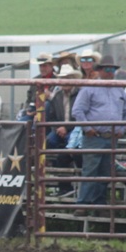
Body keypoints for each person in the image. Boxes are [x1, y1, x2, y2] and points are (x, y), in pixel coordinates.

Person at [70, 56, 126, 215]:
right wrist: (87, 128)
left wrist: (122, 128)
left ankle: (99, 203)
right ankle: (83, 203)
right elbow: (77, 111)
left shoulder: (119, 89)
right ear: (99, 71)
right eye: (107, 69)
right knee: (91, 170)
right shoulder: (89, 88)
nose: (111, 72)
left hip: (111, 136)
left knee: (105, 171)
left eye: (113, 70)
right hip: (94, 136)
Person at [44, 63, 83, 197]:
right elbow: (52, 117)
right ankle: (63, 183)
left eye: (68, 77)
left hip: (75, 130)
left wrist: (65, 127)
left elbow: (80, 116)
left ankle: (66, 184)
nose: (65, 81)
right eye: (63, 78)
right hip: (60, 129)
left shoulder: (80, 94)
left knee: (71, 150)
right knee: (48, 142)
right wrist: (58, 127)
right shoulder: (57, 96)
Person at [19, 53, 56, 121]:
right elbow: (29, 99)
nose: (42, 68)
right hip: (33, 113)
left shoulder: (58, 80)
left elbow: (58, 104)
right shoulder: (35, 80)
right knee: (20, 123)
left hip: (51, 116)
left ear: (51, 66)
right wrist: (28, 110)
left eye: (44, 66)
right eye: (40, 66)